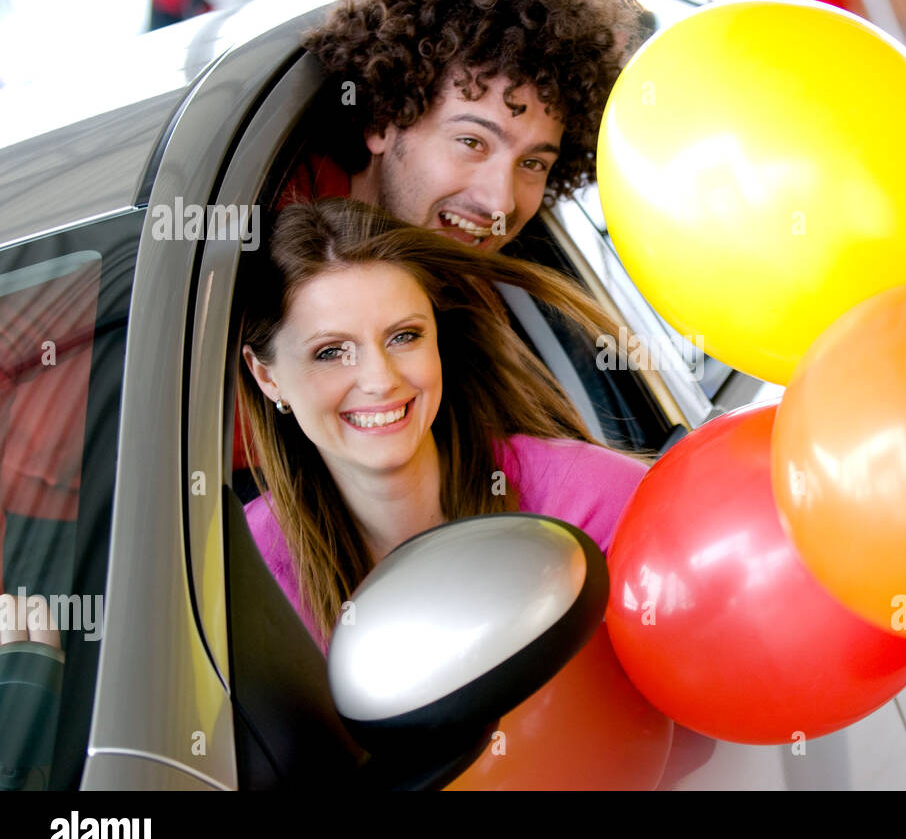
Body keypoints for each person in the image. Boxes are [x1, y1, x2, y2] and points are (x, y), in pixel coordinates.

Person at [237, 198, 653, 652]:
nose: (380, 381)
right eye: (331, 352)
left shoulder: (587, 494)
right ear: (267, 376)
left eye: (404, 337)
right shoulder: (240, 576)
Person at [280, 0, 653, 254]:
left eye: (533, 163)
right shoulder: (279, 247)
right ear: (382, 120)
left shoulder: (462, 279)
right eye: (473, 142)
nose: (500, 203)